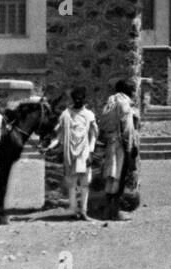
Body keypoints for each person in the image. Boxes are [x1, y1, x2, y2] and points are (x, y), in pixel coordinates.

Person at [98, 79, 139, 219]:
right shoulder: (124, 104)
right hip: (122, 145)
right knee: (120, 176)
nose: (134, 93)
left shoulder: (111, 102)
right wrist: (132, 147)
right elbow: (127, 128)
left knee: (111, 175)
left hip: (111, 141)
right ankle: (115, 211)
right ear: (127, 90)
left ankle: (108, 210)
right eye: (133, 90)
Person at [56, 88, 99, 221]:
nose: (78, 101)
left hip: (84, 152)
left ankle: (84, 211)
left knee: (85, 183)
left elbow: (94, 135)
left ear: (84, 99)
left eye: (81, 99)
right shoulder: (65, 115)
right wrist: (51, 146)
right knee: (71, 183)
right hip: (70, 152)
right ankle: (74, 211)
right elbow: (60, 134)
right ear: (73, 99)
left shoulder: (89, 115)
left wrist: (91, 152)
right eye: (76, 99)